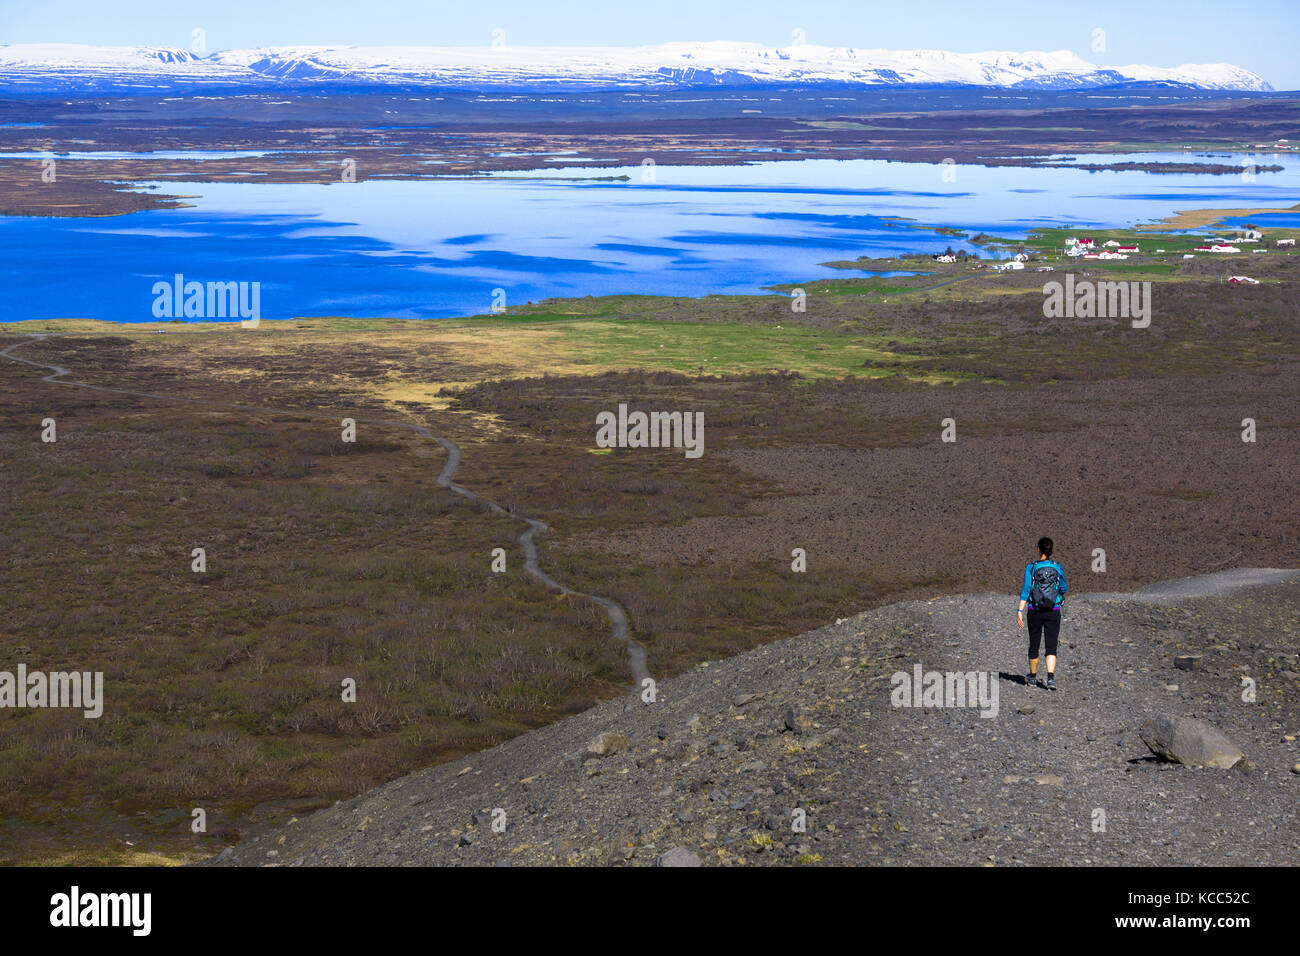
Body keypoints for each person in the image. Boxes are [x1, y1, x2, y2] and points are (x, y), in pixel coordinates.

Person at [1017, 537, 1067, 689]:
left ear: (1038, 549)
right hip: (1053, 610)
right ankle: (1050, 678)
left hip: (1034, 610)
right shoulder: (1057, 567)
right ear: (1051, 550)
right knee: (1051, 645)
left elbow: (1026, 589)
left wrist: (1020, 610)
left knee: (1034, 644)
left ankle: (1033, 677)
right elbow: (1064, 588)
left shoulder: (1031, 567)